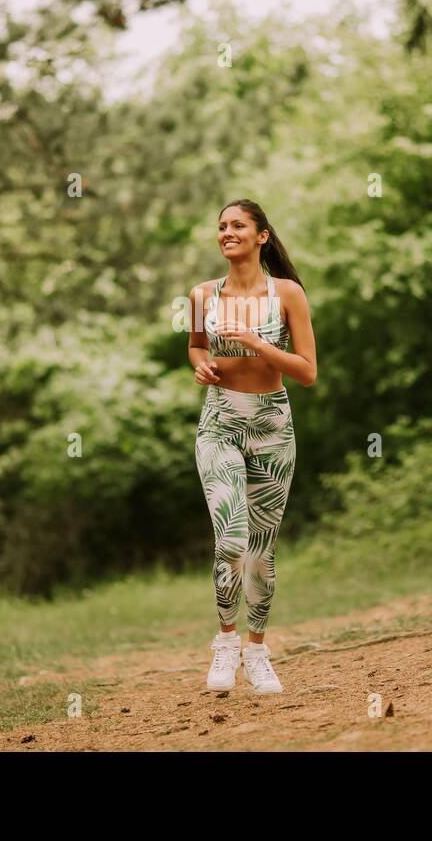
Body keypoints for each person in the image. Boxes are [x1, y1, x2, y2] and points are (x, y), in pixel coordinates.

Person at [186, 198, 317, 694]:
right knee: (231, 538)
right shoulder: (202, 295)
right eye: (221, 226)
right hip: (219, 424)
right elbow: (196, 345)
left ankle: (257, 650)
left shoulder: (287, 294)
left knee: (262, 551)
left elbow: (307, 371)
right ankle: (225, 642)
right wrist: (200, 365)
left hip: (273, 427)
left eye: (237, 225)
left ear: (262, 235)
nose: (226, 232)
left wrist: (261, 345)